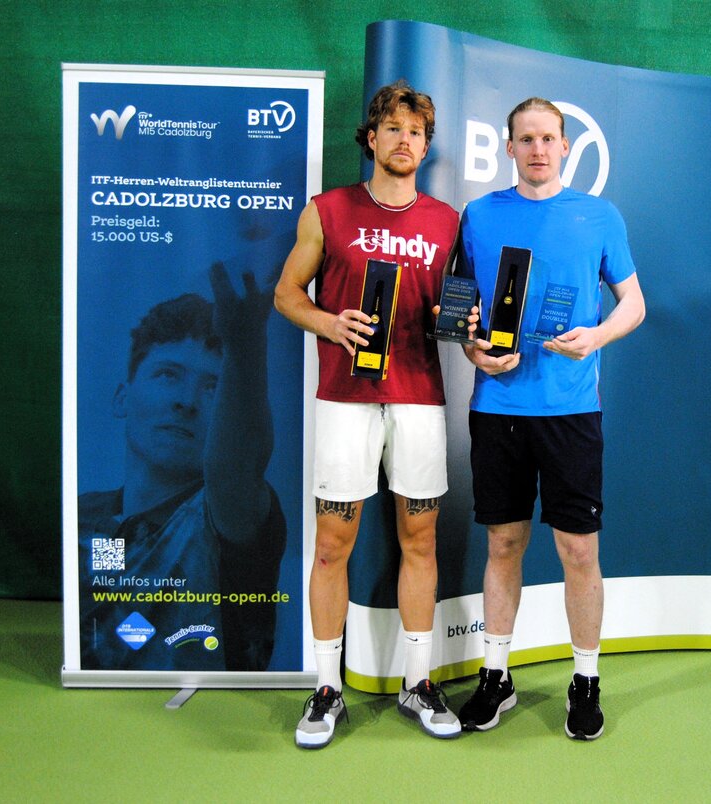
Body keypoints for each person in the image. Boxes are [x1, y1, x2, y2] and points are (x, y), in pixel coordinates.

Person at [275, 80, 463, 748]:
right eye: (394, 129)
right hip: (346, 401)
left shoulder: (446, 221)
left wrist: (467, 326)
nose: (406, 141)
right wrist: (332, 323)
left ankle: (418, 681)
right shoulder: (328, 211)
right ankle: (326, 689)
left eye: (417, 132)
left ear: (425, 145)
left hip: (418, 397)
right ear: (372, 137)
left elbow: (458, 315)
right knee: (332, 545)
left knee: (421, 541)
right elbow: (286, 295)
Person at [455, 97, 645, 741]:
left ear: (566, 147)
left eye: (548, 138)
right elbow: (462, 320)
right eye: (525, 138)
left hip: (571, 412)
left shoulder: (599, 215)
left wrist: (596, 337)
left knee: (577, 550)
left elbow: (634, 304)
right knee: (503, 545)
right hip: (498, 411)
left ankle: (585, 680)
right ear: (508, 147)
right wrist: (474, 349)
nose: (537, 148)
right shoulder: (478, 217)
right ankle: (496, 675)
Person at [78, 263, 286, 672]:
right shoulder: (83, 515)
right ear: (123, 398)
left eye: (212, 387)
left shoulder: (226, 511)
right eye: (168, 375)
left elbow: (235, 469)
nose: (186, 401)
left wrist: (244, 347)